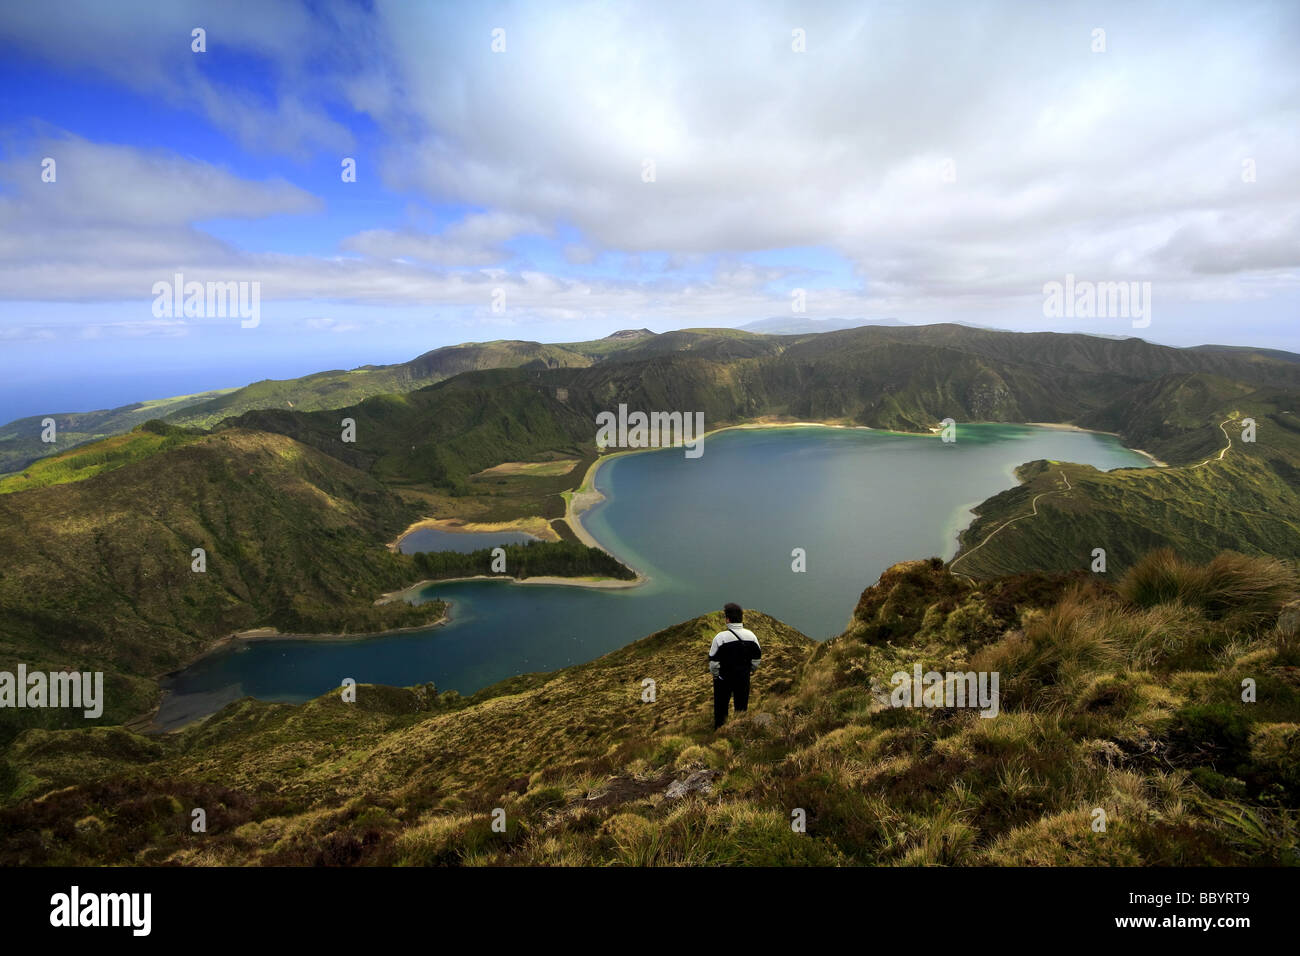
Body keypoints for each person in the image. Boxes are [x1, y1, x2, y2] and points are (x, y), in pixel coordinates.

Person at [708, 603, 761, 729]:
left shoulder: (720, 638)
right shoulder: (751, 636)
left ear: (727, 619)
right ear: (741, 618)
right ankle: (740, 730)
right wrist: (750, 671)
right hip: (743, 678)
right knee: (741, 706)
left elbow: (713, 662)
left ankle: (720, 732)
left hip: (724, 679)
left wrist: (716, 676)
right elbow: (757, 658)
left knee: (721, 707)